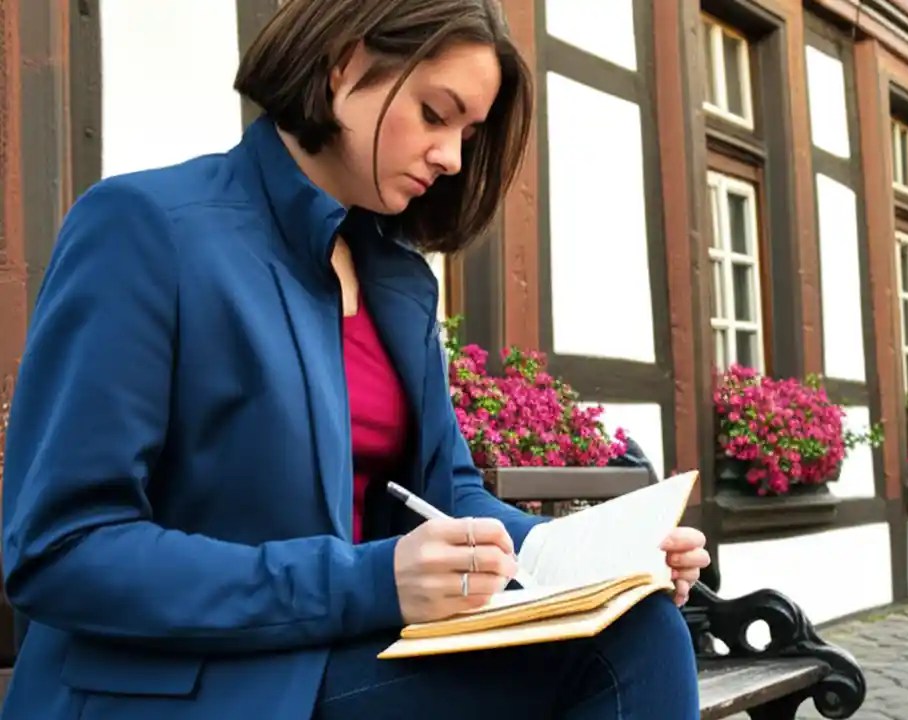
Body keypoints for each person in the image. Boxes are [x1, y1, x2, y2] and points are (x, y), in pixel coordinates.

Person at [0, 0, 709, 717]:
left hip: (331, 667)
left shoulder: (396, 281)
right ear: (344, 66)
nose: (453, 157)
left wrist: (595, 558)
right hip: (178, 686)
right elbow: (63, 549)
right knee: (618, 653)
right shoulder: (146, 229)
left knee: (637, 624)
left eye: (469, 132)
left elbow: (450, 494)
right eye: (436, 114)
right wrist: (370, 581)